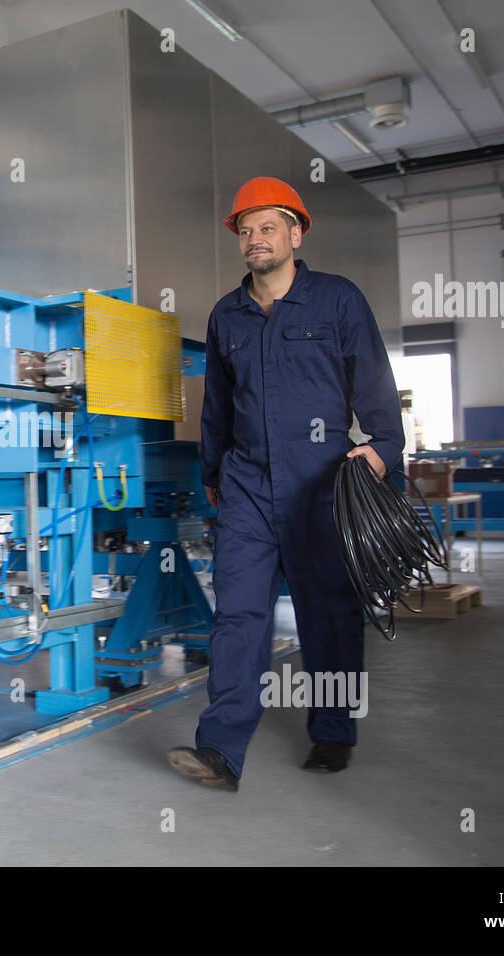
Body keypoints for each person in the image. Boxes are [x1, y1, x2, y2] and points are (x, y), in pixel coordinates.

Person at [167, 176, 403, 790]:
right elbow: (216, 403)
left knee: (328, 612)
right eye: (245, 230)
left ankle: (331, 731)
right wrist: (213, 472)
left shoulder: (337, 300)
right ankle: (220, 748)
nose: (254, 239)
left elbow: (373, 382)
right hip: (245, 483)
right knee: (238, 614)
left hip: (322, 481)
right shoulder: (228, 314)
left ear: (295, 233)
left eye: (267, 227)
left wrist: (380, 450)